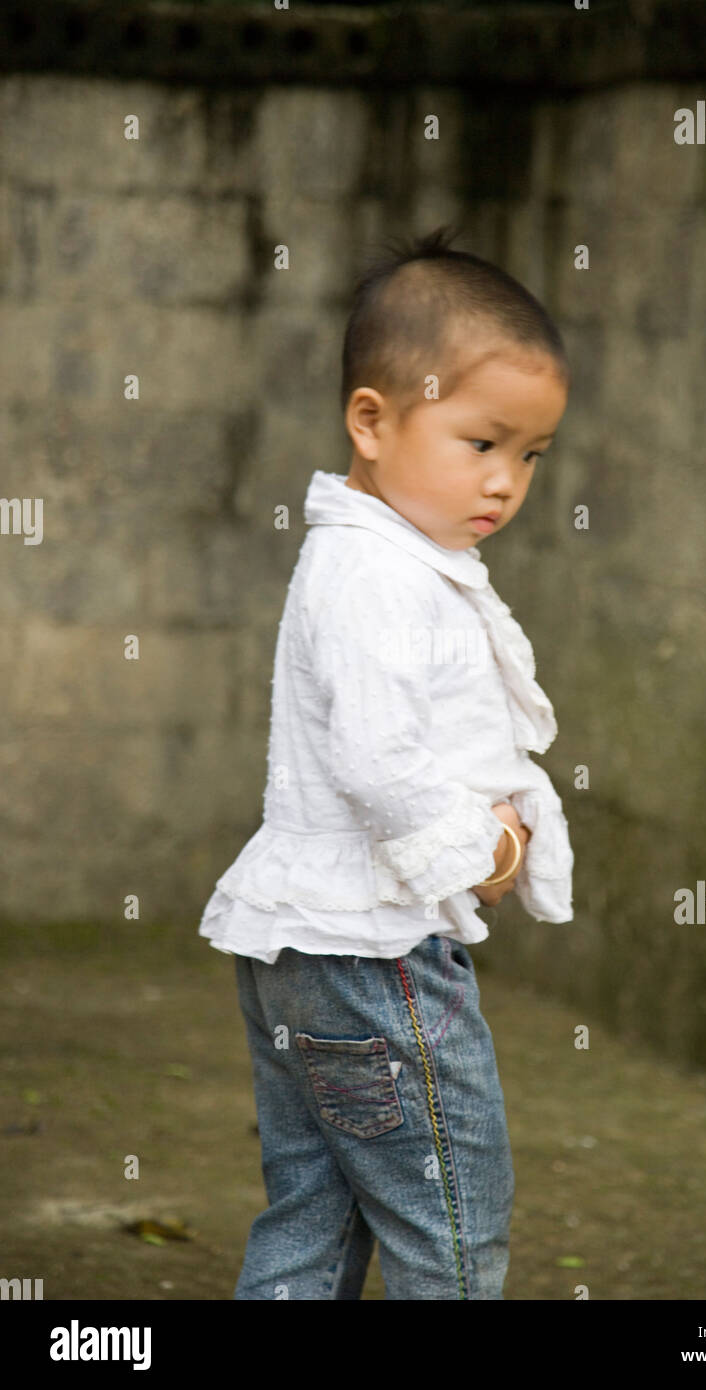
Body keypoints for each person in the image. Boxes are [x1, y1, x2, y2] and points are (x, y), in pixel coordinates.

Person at [198, 224, 575, 1300]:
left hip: (306, 947)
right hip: (373, 955)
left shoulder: (386, 555)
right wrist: (480, 848)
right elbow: (377, 757)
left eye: (531, 456)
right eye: (480, 442)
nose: (504, 482)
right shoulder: (372, 573)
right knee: (449, 1221)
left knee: (313, 1216)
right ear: (372, 419)